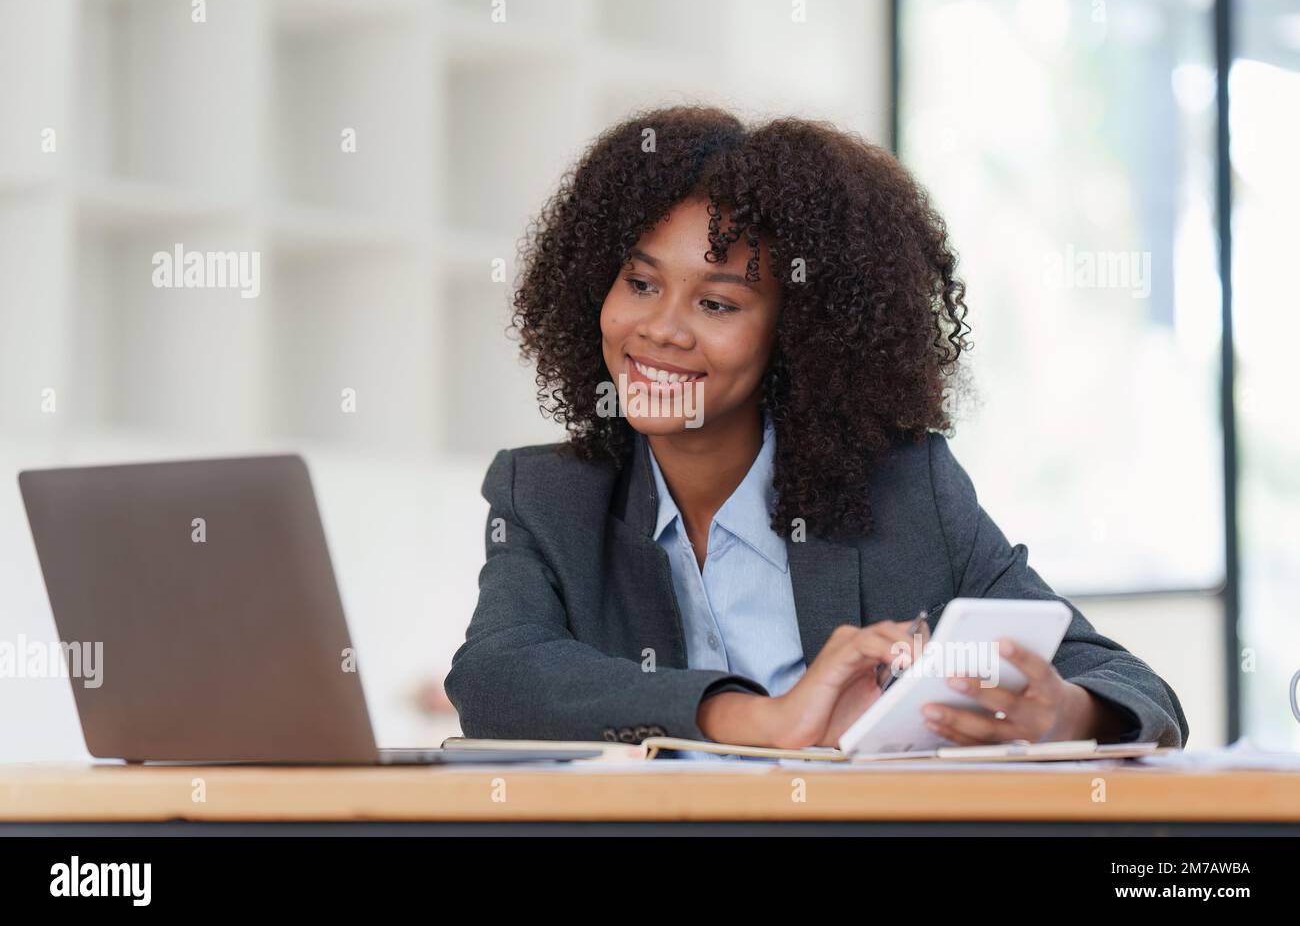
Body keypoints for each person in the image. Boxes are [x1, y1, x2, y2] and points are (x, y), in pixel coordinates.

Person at [443, 105, 1188, 752]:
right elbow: (497, 677)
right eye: (641, 284)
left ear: (797, 335)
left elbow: (1130, 685)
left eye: (719, 304)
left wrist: (1061, 711)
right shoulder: (546, 495)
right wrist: (762, 719)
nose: (661, 330)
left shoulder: (907, 492)